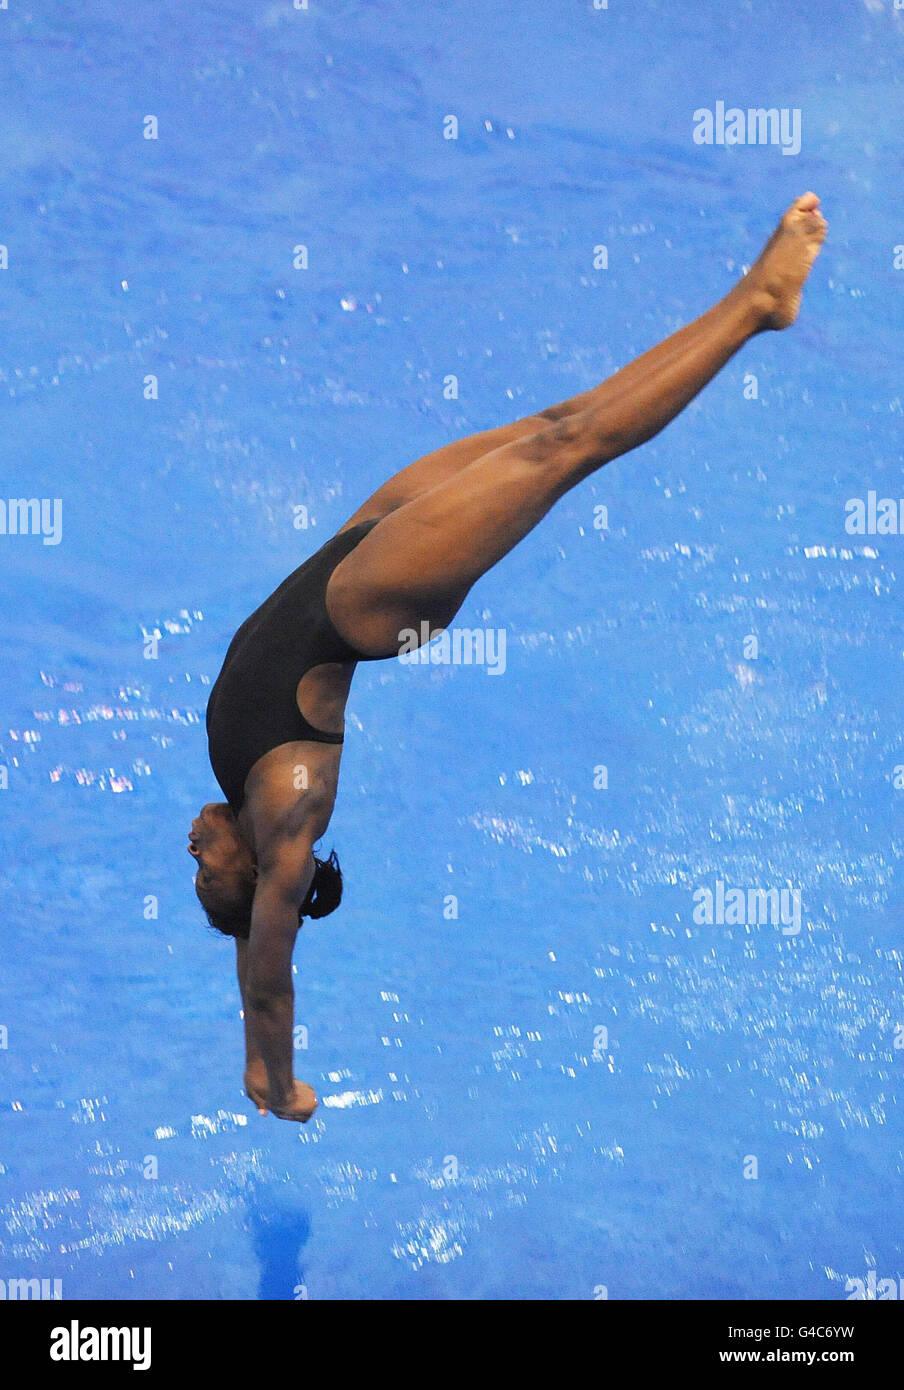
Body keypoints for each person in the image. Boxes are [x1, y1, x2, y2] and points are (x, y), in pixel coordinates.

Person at [190, 193, 827, 1122]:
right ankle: (757, 305)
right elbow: (267, 983)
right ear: (255, 872)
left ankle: (754, 303)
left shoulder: (234, 776)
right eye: (207, 878)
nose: (192, 856)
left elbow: (250, 958)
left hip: (353, 551)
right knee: (566, 451)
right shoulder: (288, 808)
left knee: (551, 423)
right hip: (375, 602)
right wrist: (272, 1081)